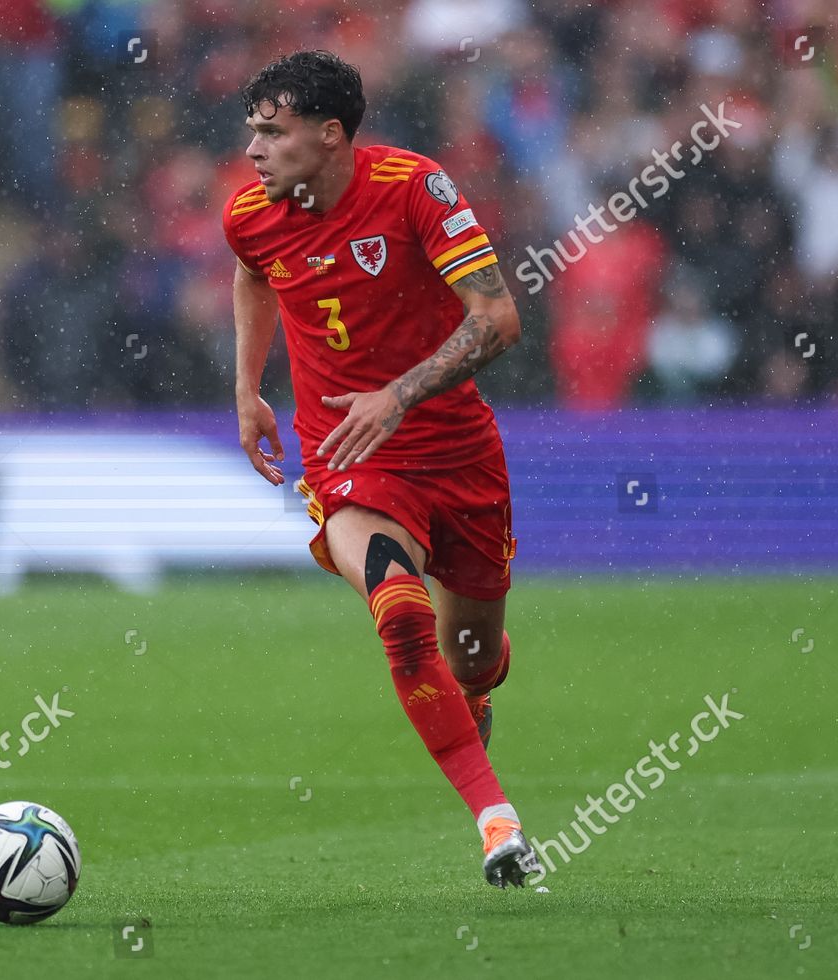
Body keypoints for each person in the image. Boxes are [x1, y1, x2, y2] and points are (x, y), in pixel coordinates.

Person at [221, 50, 541, 888]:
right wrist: (249, 386)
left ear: (330, 136)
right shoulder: (250, 214)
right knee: (398, 614)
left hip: (458, 454)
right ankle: (497, 822)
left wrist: (398, 394)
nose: (254, 149)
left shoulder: (413, 189)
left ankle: (474, 688)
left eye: (273, 132)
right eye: (252, 130)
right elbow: (253, 274)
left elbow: (500, 319)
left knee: (469, 655)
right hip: (349, 457)